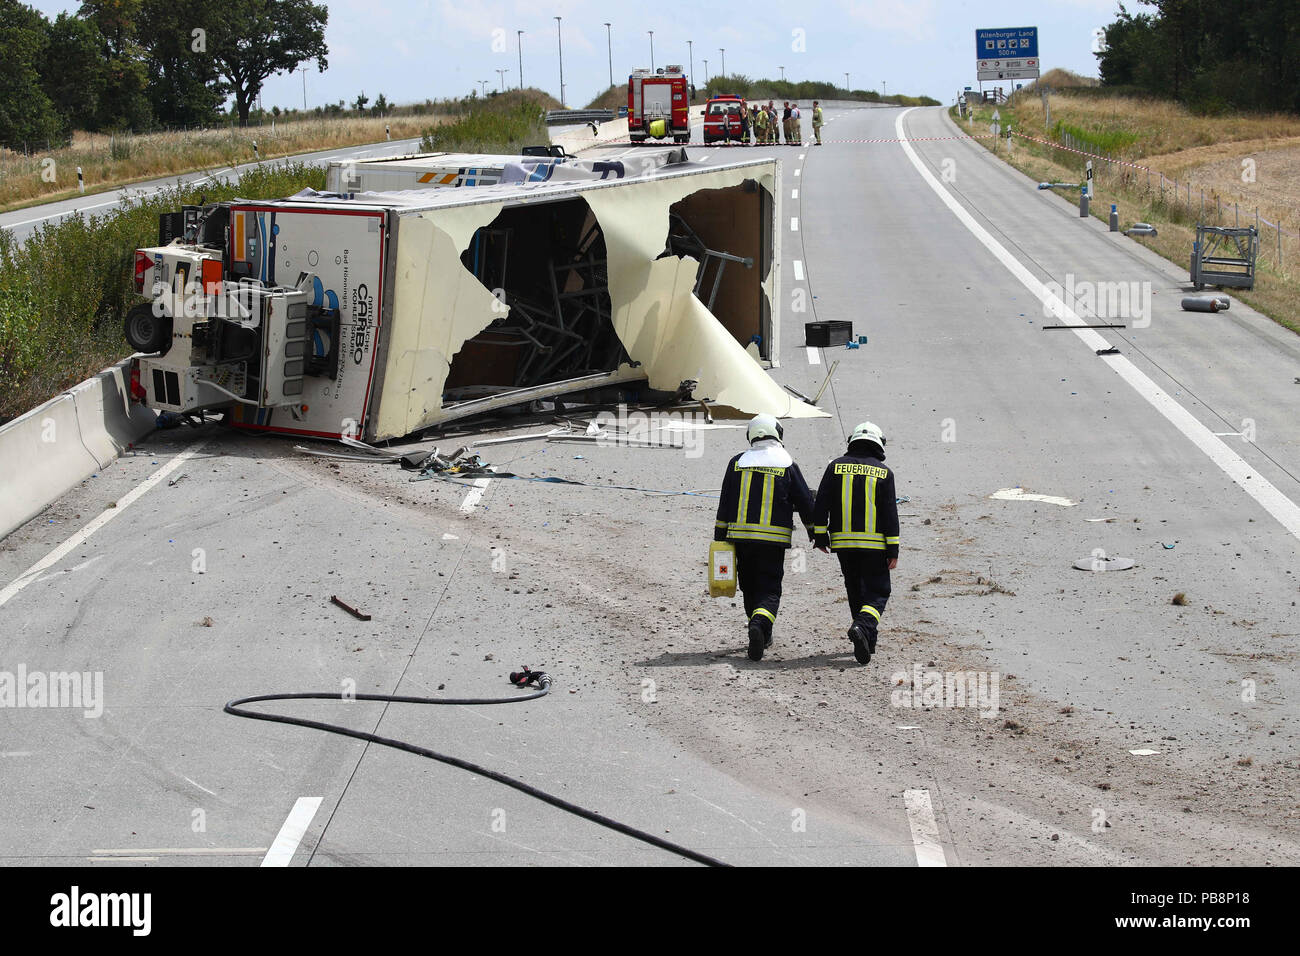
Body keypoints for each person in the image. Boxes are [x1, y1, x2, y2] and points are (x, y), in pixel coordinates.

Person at [714, 414, 815, 661]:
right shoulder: (786, 463)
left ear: (751, 435)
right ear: (777, 434)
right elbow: (804, 501)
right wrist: (816, 532)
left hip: (741, 539)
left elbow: (725, 502)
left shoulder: (737, 462)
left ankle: (757, 626)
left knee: (749, 585)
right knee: (770, 588)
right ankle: (760, 624)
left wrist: (720, 537)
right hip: (773, 541)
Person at [811, 422, 899, 665]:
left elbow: (821, 504)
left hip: (843, 544)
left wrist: (820, 536)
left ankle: (866, 638)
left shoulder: (834, 467)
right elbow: (890, 515)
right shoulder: (884, 473)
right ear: (878, 443)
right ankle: (863, 626)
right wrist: (893, 549)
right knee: (879, 591)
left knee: (855, 589)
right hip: (875, 546)